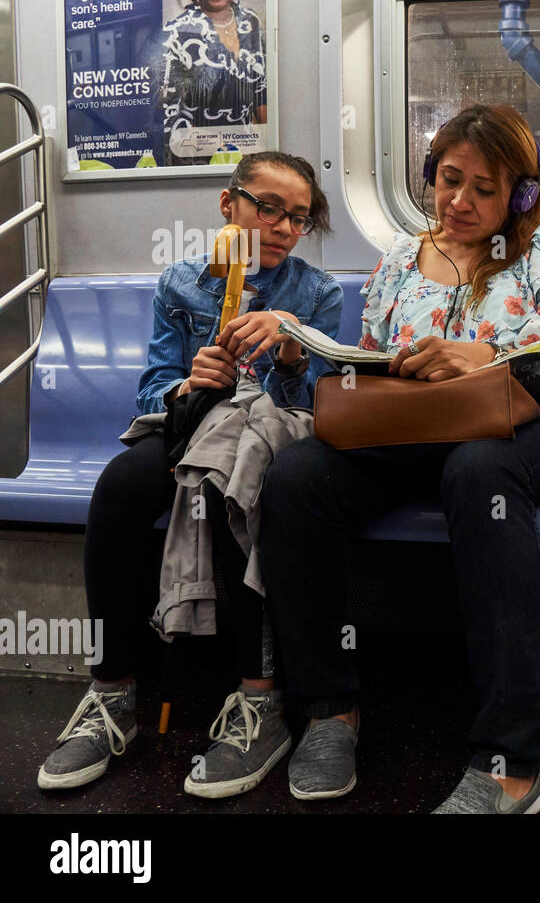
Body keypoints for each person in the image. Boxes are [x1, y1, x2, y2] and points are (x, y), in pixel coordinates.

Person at [257, 104, 540, 813]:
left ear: (522, 195)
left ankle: (513, 762)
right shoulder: (403, 258)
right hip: (414, 427)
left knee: (478, 470)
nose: (460, 202)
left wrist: (483, 355)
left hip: (526, 432)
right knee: (295, 479)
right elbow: (371, 353)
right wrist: (350, 364)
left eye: (485, 188)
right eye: (448, 180)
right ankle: (327, 709)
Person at [37, 152, 343, 797]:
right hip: (193, 427)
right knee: (120, 487)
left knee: (233, 480)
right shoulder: (181, 282)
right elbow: (152, 391)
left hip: (270, 434)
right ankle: (112, 690)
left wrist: (290, 352)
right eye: (268, 207)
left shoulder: (317, 295)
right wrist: (187, 382)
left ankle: (256, 698)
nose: (284, 226)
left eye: (298, 216)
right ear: (228, 204)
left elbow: (323, 409)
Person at [156, 0, 267, 166]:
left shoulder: (250, 23)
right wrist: (229, 146)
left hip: (247, 165)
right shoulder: (177, 33)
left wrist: (269, 152)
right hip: (197, 168)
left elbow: (261, 93)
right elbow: (168, 120)